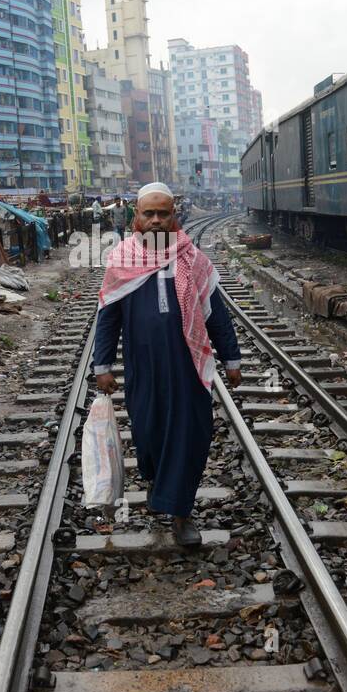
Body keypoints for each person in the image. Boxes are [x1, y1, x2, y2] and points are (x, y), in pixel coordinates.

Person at [93, 182, 242, 546]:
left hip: (186, 366)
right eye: (150, 214)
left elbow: (216, 314)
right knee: (148, 434)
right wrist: (103, 366)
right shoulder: (122, 260)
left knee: (189, 435)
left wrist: (231, 359)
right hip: (143, 367)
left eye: (164, 213)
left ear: (174, 216)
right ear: (136, 218)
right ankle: (160, 486)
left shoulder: (192, 258)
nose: (157, 220)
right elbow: (108, 316)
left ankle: (180, 512)